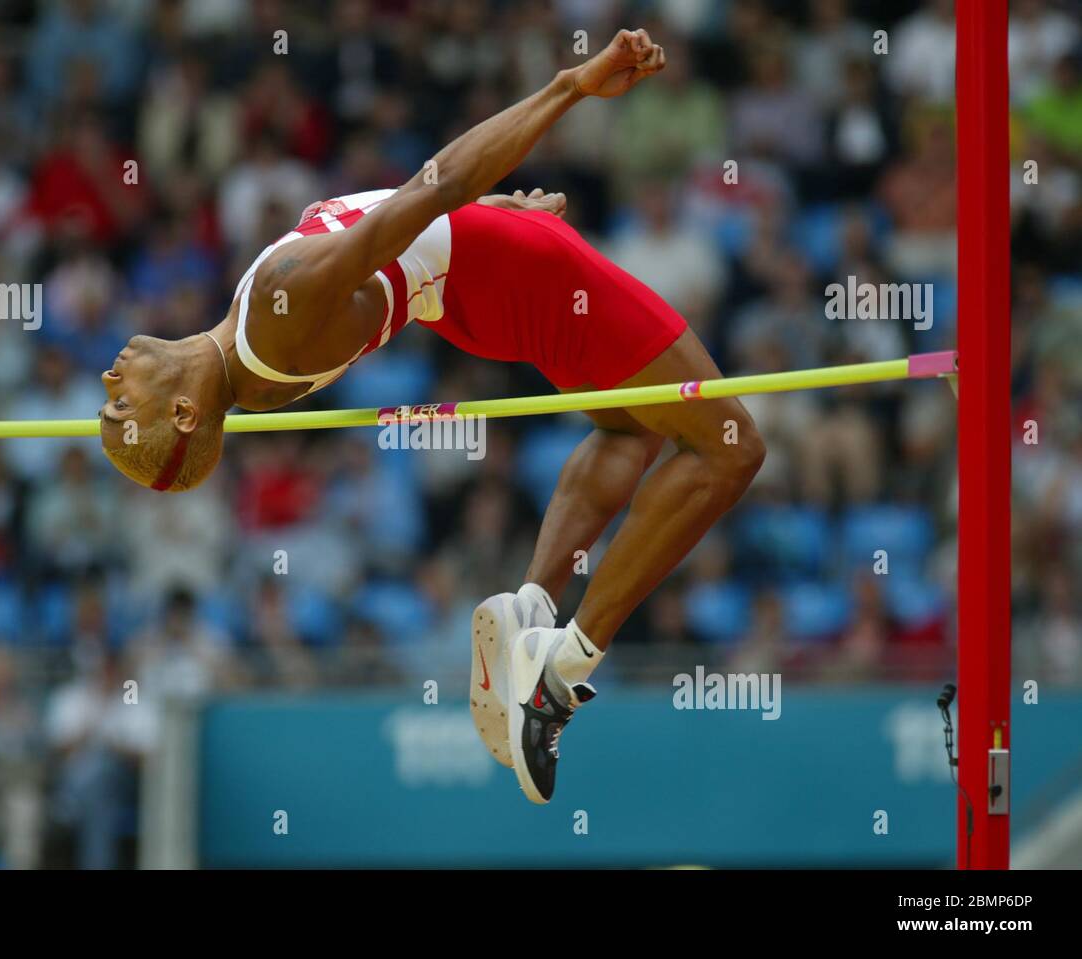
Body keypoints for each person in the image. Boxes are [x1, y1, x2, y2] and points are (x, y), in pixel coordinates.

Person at [98, 29, 765, 803]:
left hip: (474, 285)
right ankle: (564, 669)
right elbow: (433, 186)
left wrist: (495, 218)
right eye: (120, 403)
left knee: (632, 426)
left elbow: (410, 226)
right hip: (510, 273)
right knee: (728, 446)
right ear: (183, 411)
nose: (111, 377)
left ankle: (533, 608)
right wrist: (570, 87)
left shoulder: (253, 351)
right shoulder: (274, 313)